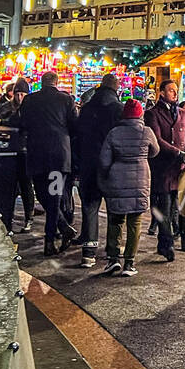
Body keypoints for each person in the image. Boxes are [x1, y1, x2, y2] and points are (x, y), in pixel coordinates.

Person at [17, 71, 79, 256]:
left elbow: (23, 125)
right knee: (54, 196)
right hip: (58, 157)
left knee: (44, 195)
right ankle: (53, 237)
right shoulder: (66, 100)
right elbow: (74, 126)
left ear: (41, 83)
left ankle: (57, 233)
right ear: (56, 83)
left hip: (37, 155)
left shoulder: (30, 100)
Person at [97, 98, 160, 277]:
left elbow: (103, 160)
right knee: (135, 222)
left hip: (117, 179)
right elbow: (155, 151)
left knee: (115, 220)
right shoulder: (146, 132)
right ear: (140, 114)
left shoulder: (114, 133)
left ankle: (113, 259)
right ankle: (129, 263)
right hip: (140, 179)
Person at [72, 72, 123, 268]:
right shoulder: (117, 109)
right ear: (116, 88)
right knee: (113, 210)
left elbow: (78, 137)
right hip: (111, 165)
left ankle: (88, 253)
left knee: (90, 208)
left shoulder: (87, 108)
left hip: (88, 164)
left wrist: (78, 163)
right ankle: (112, 254)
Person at [145, 78, 185, 260]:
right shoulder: (152, 114)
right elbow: (157, 140)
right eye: (170, 90)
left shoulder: (183, 113)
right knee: (164, 208)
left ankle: (172, 240)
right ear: (161, 92)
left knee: (180, 207)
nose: (174, 93)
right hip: (163, 168)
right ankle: (167, 244)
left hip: (181, 170)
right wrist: (178, 153)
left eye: (176, 90)